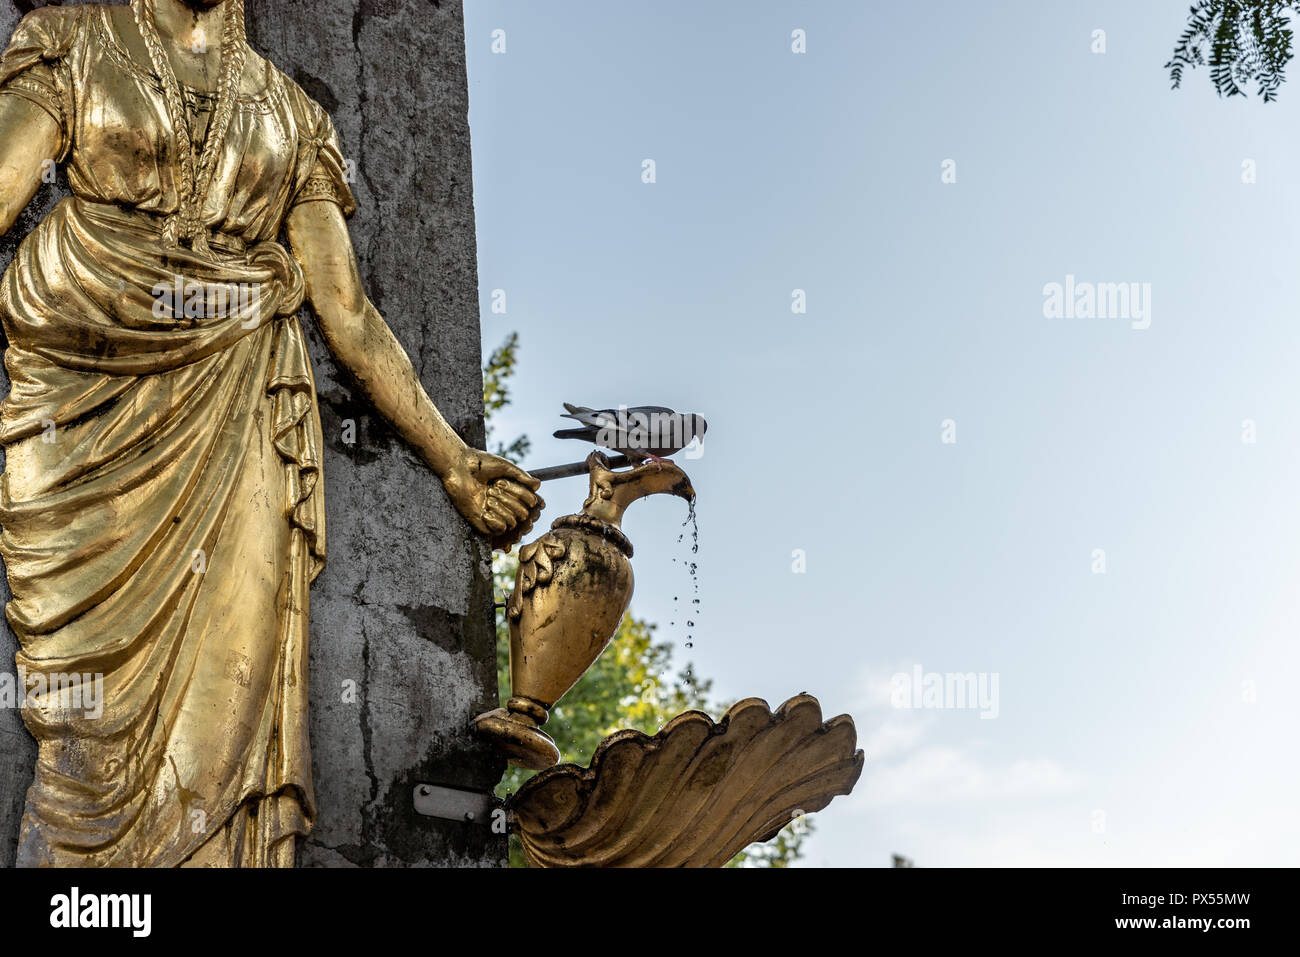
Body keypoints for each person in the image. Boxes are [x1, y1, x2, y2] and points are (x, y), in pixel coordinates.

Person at [0, 0, 542, 866]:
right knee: (82, 723)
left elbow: (348, 311)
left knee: (226, 714)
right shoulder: (73, 38)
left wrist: (455, 461)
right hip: (84, 400)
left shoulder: (290, 110)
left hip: (239, 409)